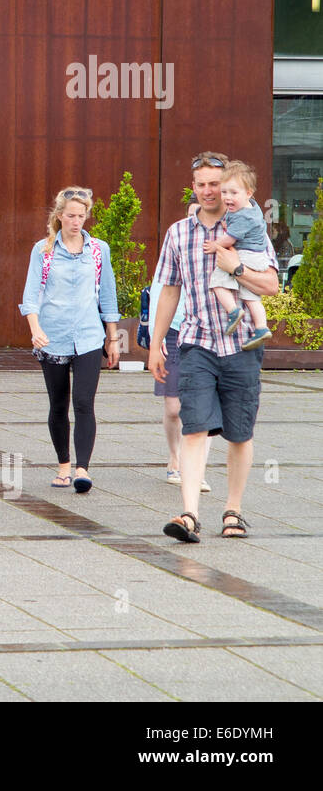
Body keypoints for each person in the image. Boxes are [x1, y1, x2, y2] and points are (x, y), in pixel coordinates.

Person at [150, 152, 279, 544]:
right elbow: (170, 291)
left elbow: (272, 286)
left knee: (239, 434)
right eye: (202, 184)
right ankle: (189, 513)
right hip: (196, 343)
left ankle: (233, 511)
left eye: (215, 184)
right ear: (193, 187)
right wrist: (156, 345)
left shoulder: (248, 226)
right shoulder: (178, 233)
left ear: (228, 189)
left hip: (242, 346)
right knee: (194, 428)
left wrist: (236, 267)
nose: (209, 191)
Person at [19, 186, 120, 493]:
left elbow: (107, 296)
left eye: (82, 215)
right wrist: (35, 329)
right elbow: (30, 295)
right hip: (52, 337)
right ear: (59, 216)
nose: (77, 221)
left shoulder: (99, 250)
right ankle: (63, 465)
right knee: (59, 404)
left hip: (89, 336)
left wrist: (113, 339)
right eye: (71, 216)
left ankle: (82, 469)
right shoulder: (43, 250)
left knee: (84, 403)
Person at [149, 203, 212, 493]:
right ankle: (174, 457)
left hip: (204, 333)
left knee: (202, 405)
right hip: (174, 331)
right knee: (174, 408)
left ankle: (195, 468)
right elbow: (160, 292)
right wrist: (155, 339)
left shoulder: (215, 252)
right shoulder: (176, 243)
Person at [208, 161, 272, 350]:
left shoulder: (244, 216)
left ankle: (233, 310)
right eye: (224, 192)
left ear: (249, 193)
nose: (228, 197)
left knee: (217, 281)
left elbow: (229, 239)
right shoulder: (252, 208)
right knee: (251, 296)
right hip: (258, 257)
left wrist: (214, 245)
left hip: (246, 255)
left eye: (234, 193)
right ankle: (261, 328)